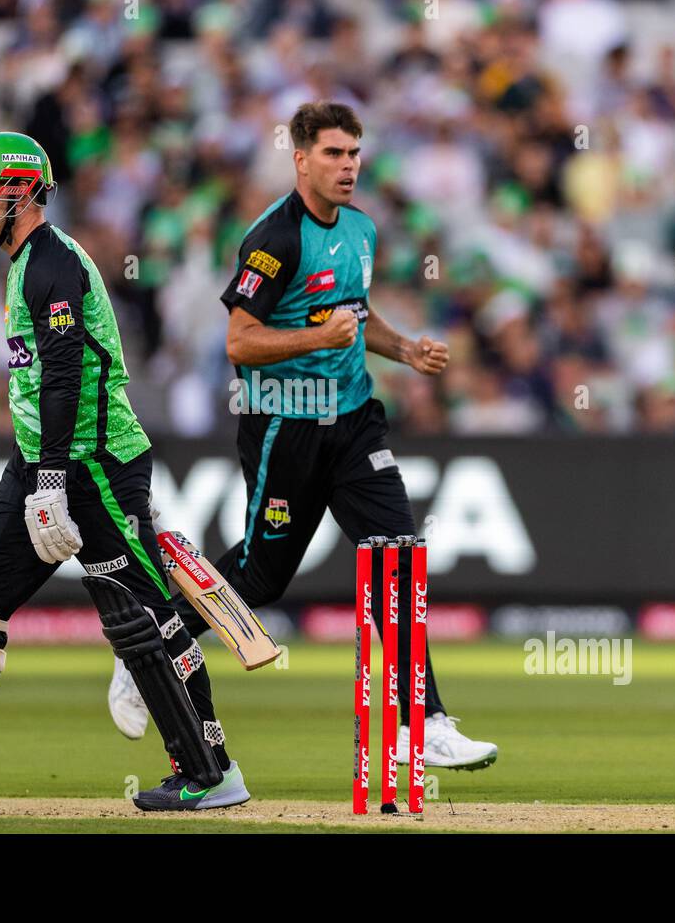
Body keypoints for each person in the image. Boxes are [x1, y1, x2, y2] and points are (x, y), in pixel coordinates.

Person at [0, 132, 248, 811]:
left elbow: (67, 378)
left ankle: (211, 772)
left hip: (92, 463)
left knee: (144, 620)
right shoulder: (22, 265)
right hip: (41, 458)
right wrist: (40, 472)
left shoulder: (52, 263)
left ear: (21, 192)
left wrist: (56, 480)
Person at [109, 103, 499, 771]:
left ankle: (424, 721)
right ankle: (150, 644)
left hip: (353, 422)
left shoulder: (362, 229)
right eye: (333, 154)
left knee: (398, 556)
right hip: (283, 428)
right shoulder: (275, 240)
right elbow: (240, 341)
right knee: (262, 577)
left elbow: (356, 313)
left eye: (353, 153)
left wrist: (404, 348)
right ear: (300, 158)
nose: (348, 166)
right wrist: (319, 337)